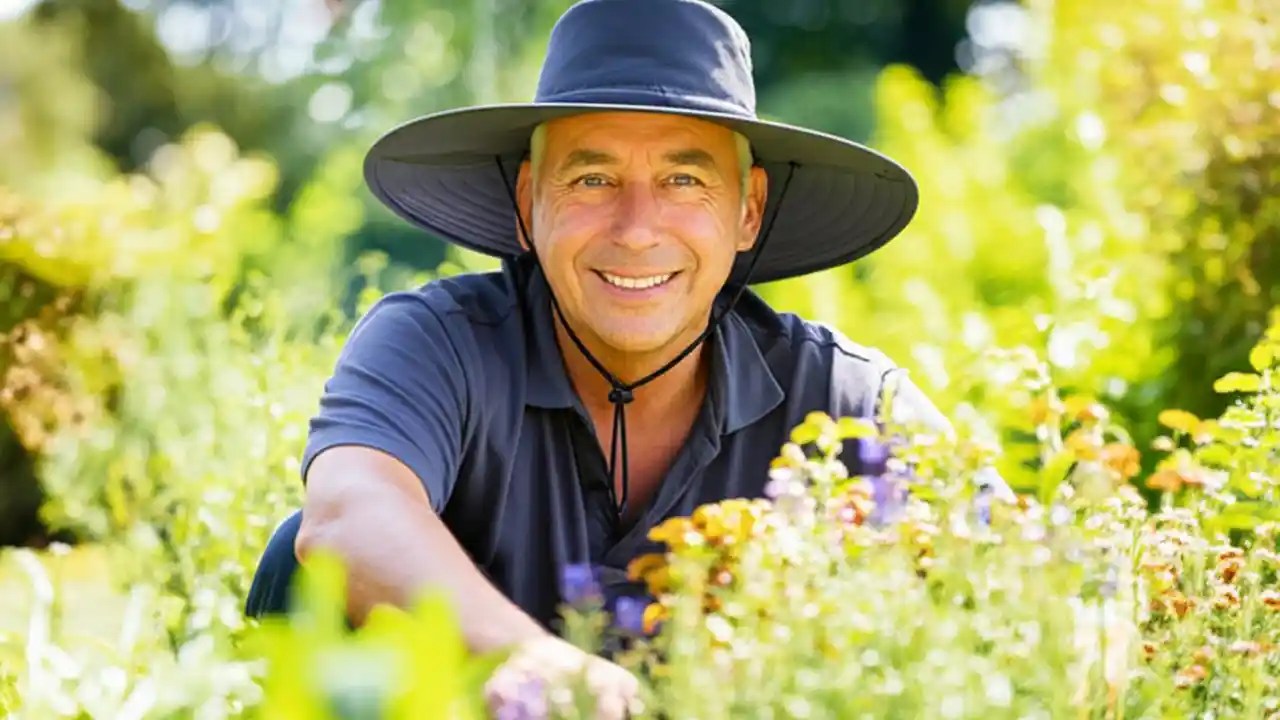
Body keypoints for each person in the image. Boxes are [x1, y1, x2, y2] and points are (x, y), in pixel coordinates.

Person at [245, 0, 1006, 715]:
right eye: (593, 178)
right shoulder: (437, 342)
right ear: (527, 203)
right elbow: (348, 513)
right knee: (297, 561)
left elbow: (1029, 561)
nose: (637, 229)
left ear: (747, 211)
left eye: (684, 179)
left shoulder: (843, 394)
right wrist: (540, 664)